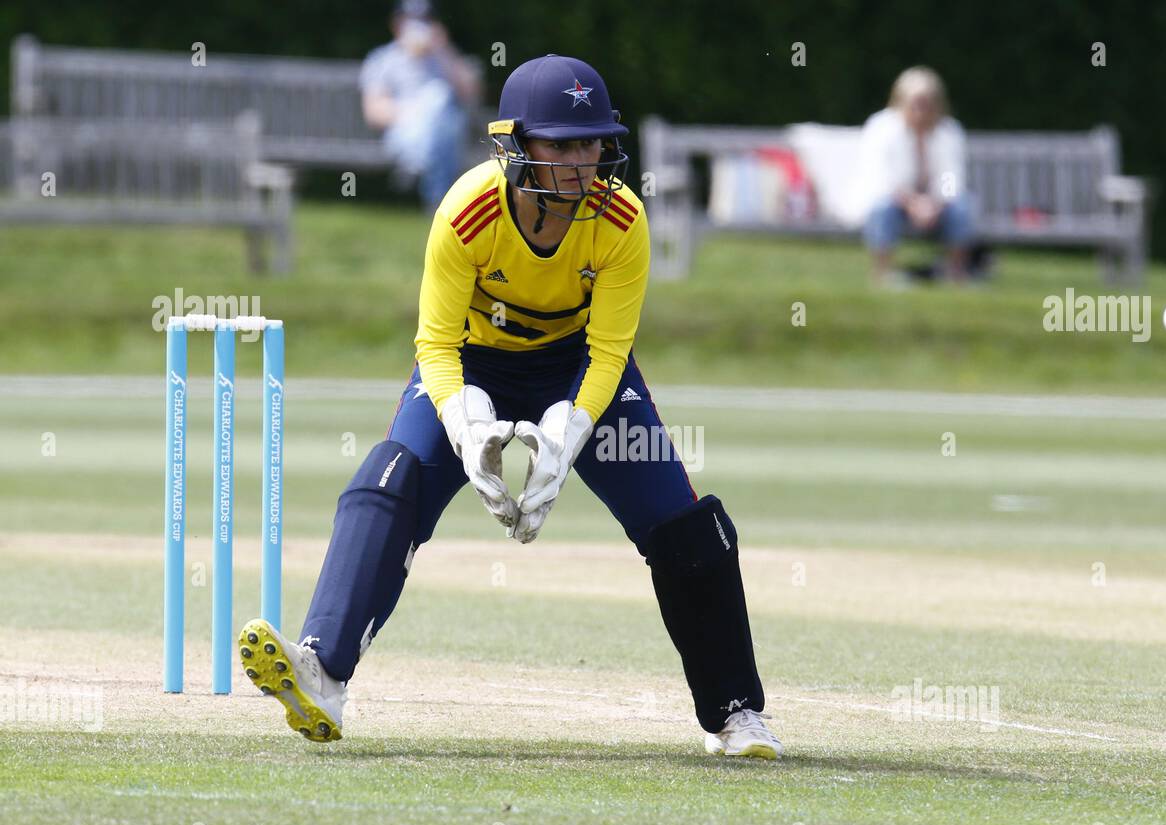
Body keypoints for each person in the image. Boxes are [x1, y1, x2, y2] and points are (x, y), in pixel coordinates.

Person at [238, 54, 783, 760]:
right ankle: (322, 671)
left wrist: (572, 429)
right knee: (389, 478)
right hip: (471, 363)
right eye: (560, 144)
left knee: (684, 527)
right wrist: (464, 426)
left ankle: (734, 713)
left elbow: (610, 350)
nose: (580, 163)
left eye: (591, 143)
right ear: (515, 146)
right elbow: (434, 344)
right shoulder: (466, 212)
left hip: (579, 369)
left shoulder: (621, 219)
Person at [359, 0, 482, 209]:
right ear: (396, 25)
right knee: (439, 111)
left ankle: (418, 167)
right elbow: (373, 113)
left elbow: (470, 95)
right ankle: (440, 203)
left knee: (441, 104)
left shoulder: (445, 57)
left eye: (424, 21)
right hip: (406, 131)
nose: (417, 27)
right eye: (411, 21)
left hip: (446, 132)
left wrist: (444, 49)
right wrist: (416, 113)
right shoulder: (383, 60)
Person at [860, 66, 974, 284]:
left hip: (936, 206)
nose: (921, 110)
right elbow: (882, 178)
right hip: (896, 202)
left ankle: (956, 274)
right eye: (916, 103)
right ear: (900, 101)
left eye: (927, 103)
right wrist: (913, 204)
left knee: (962, 207)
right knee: (882, 208)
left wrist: (935, 204)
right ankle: (882, 275)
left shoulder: (948, 132)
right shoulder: (881, 128)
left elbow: (952, 177)